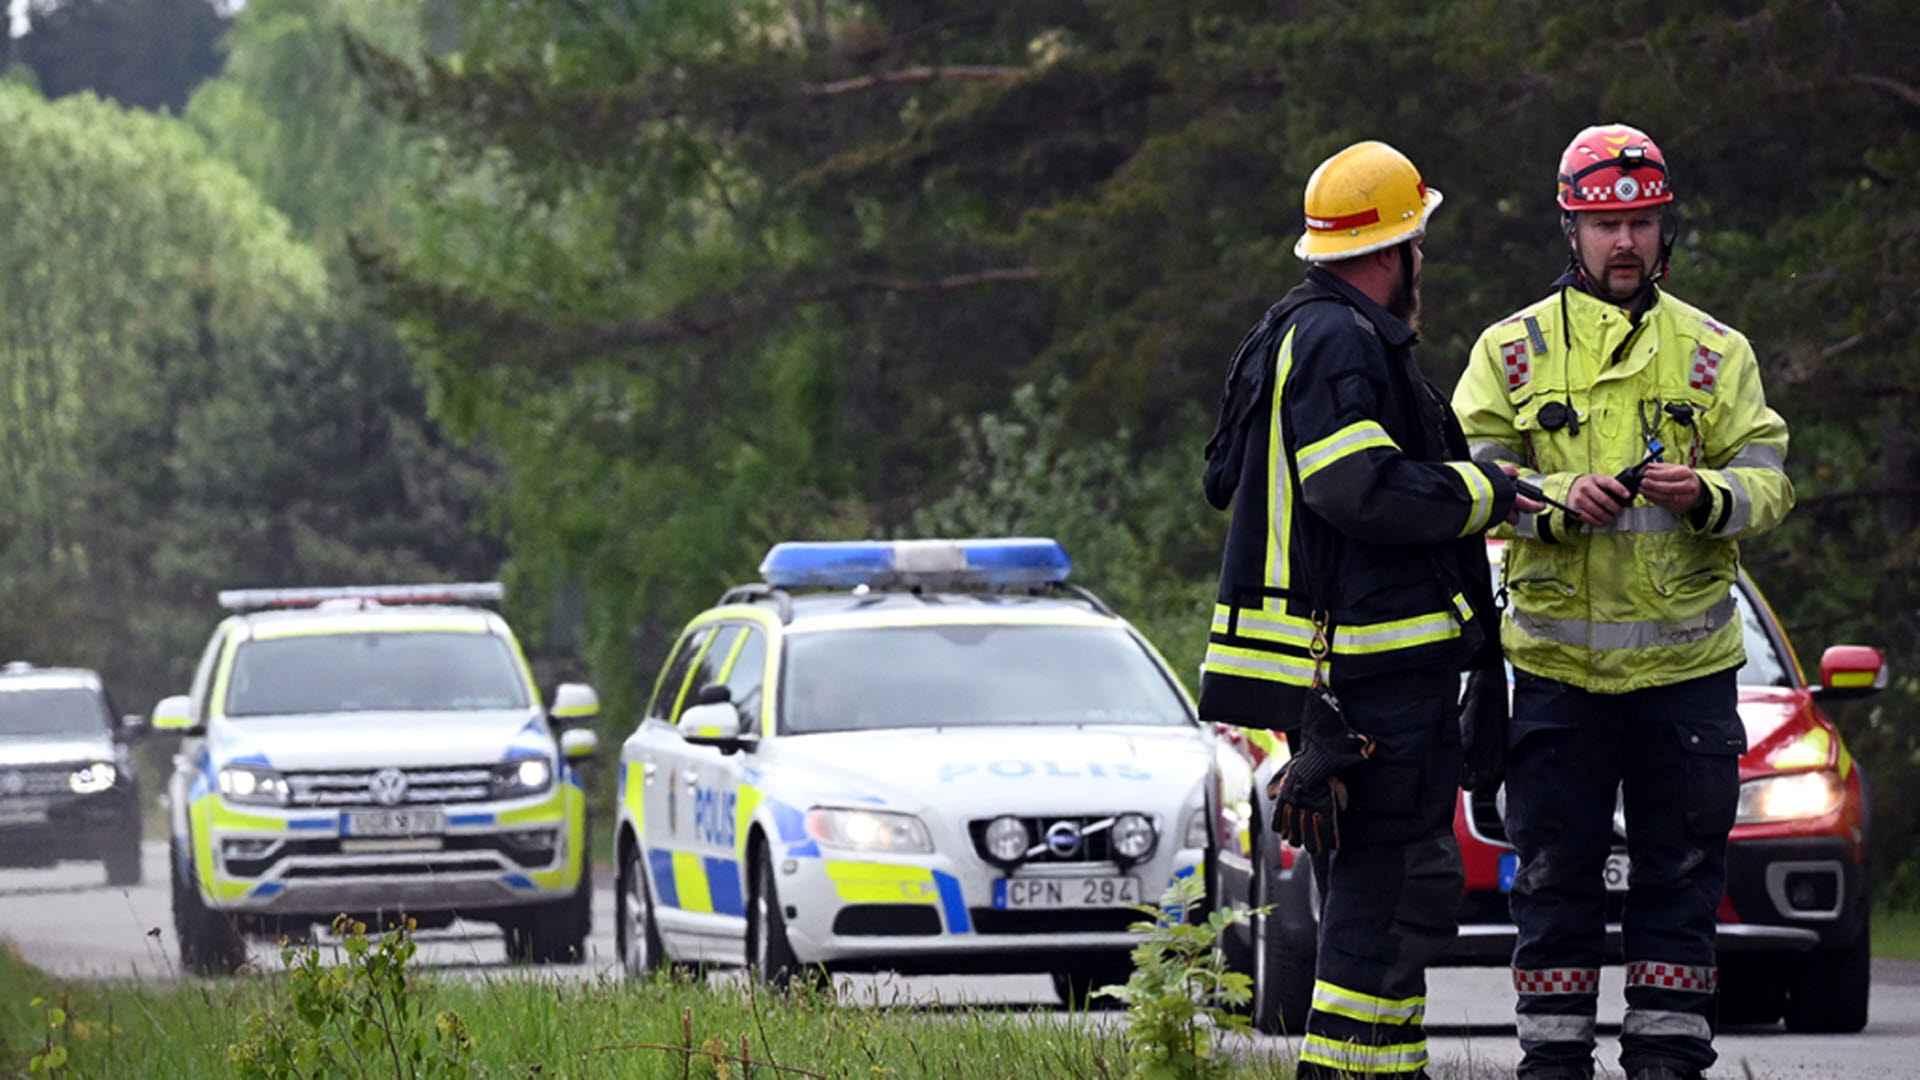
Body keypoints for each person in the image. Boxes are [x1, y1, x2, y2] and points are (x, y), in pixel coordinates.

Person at [1452, 124, 1794, 1080]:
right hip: (1557, 676)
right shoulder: (1508, 353)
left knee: (1679, 883)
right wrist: (1554, 501)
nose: (1626, 243)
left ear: (1664, 226)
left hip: (1686, 679)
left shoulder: (1714, 353)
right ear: (1570, 229)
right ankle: (1553, 1066)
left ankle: (1667, 1062)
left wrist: (1711, 496)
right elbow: (1463, 477)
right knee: (1553, 883)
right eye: (1606, 225)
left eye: (1642, 221)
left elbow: (1768, 476)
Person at [1200, 139, 1538, 1079]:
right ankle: (1345, 1072)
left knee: (1392, 893)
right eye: (1420, 243)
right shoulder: (1344, 340)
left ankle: (1380, 1069)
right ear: (1396, 248)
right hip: (1371, 679)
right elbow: (1355, 487)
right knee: (1388, 897)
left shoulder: (1300, 329)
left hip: (1345, 678)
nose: (1422, 261)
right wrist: (1484, 491)